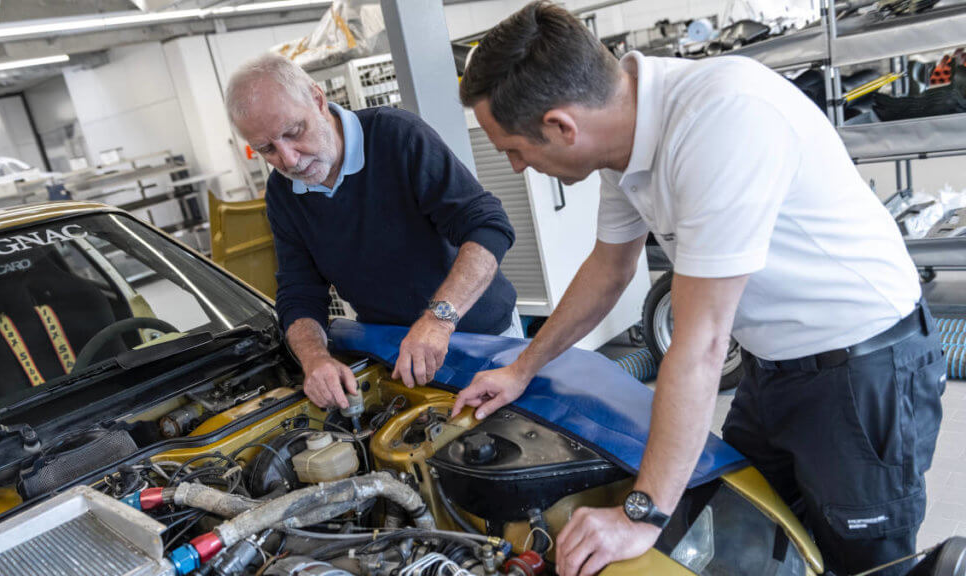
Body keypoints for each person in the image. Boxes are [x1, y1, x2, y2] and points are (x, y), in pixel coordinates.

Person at [452, 3, 945, 576]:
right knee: (744, 530)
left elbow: (701, 342)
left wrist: (641, 512)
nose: (514, 168)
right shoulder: (624, 140)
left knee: (865, 561)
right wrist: (521, 368)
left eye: (513, 149)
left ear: (563, 126)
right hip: (774, 366)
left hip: (864, 370)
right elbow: (609, 269)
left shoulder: (723, 118)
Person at [225, 53, 521, 409]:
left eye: (293, 132)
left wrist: (439, 320)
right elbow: (299, 291)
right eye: (267, 149)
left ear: (318, 100)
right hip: (394, 353)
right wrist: (315, 360)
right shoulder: (283, 193)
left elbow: (487, 225)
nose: (288, 160)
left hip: (484, 339)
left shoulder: (397, 136)